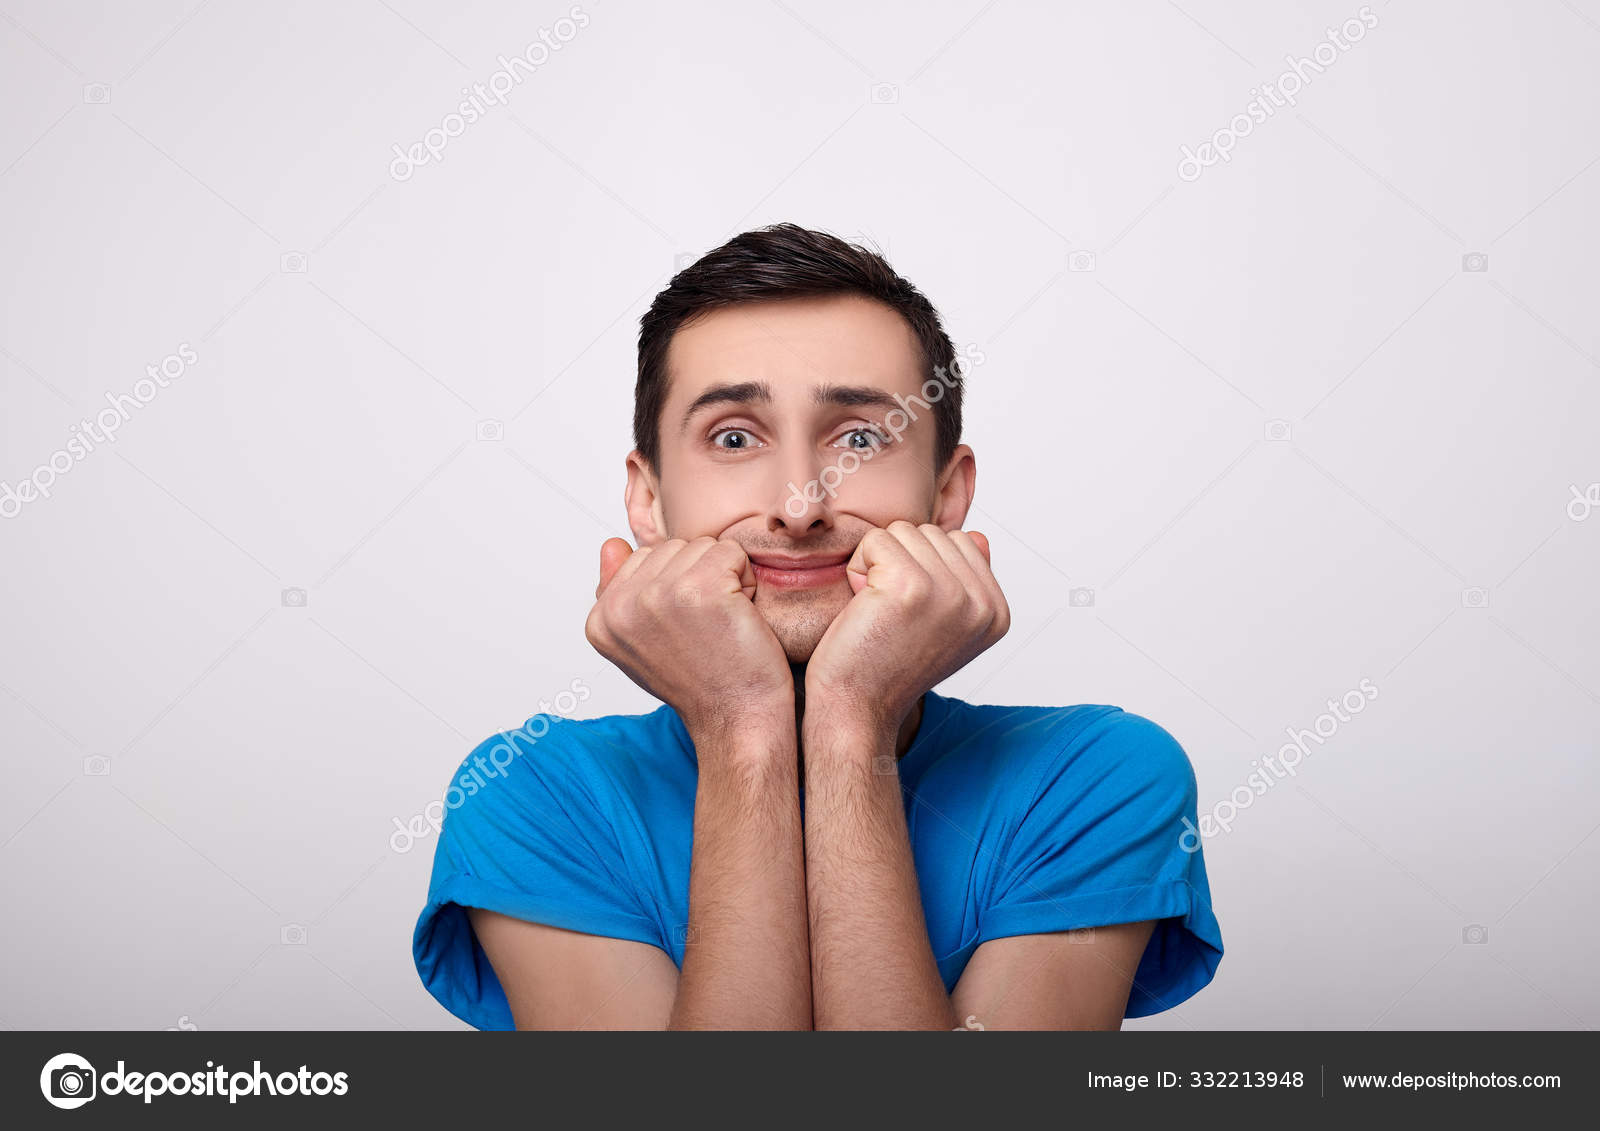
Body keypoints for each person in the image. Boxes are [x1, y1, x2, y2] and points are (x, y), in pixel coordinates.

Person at [412, 223, 1222, 1029]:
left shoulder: (1095, 777)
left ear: (946, 496)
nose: (800, 505)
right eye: (733, 437)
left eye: (860, 437)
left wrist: (848, 723)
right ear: (648, 502)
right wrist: (741, 730)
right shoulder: (535, 795)